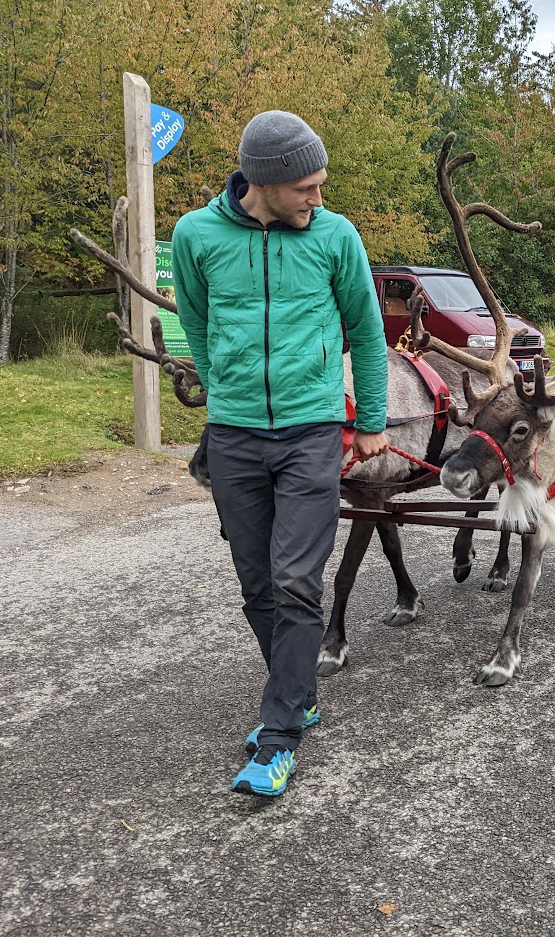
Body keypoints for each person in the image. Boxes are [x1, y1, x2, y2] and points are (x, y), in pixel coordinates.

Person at [173, 110, 389, 797]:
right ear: (263, 182)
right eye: (307, 187)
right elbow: (198, 324)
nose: (318, 199)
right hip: (235, 434)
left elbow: (366, 329)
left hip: (311, 432)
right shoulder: (195, 235)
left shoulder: (335, 236)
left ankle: (278, 737)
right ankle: (295, 692)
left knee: (297, 579)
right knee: (256, 584)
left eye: (321, 185)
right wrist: (224, 391)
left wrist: (372, 421)